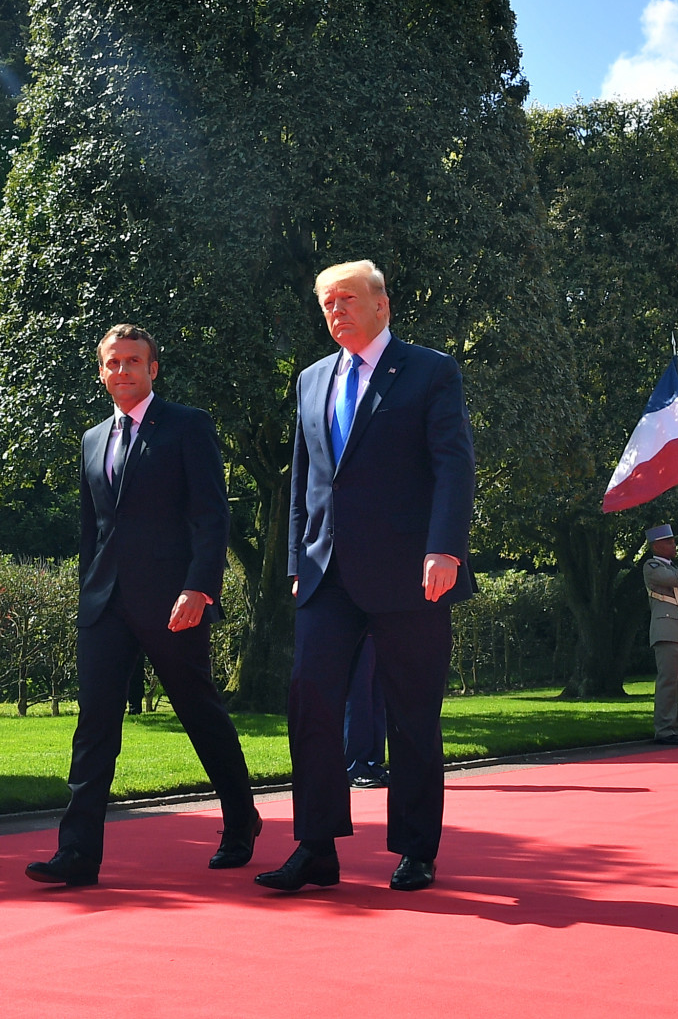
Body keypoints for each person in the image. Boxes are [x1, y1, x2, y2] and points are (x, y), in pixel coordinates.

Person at [256, 262, 476, 896]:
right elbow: (303, 482)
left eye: (348, 299)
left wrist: (445, 550)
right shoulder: (311, 381)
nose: (336, 311)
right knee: (311, 705)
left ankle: (415, 849)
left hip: (412, 576)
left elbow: (453, 466)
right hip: (327, 576)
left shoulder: (431, 371)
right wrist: (298, 563)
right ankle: (317, 847)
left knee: (412, 715)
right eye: (327, 303)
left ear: (383, 304)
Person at [26, 324, 259, 888]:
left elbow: (211, 516)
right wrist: (88, 591)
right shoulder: (90, 439)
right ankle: (78, 853)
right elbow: (92, 531)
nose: (123, 371)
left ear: (154, 369)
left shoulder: (187, 426)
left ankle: (240, 818)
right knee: (94, 727)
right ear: (101, 371)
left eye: (134, 361)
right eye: (113, 363)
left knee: (199, 711)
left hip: (173, 600)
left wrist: (201, 587)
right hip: (105, 605)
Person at [641, 524, 678, 742]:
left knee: (677, 684)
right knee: (668, 682)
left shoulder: (672, 567)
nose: (673, 545)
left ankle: (675, 728)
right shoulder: (653, 565)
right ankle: (665, 730)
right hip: (667, 632)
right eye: (668, 542)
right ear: (656, 546)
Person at [344, 635, 390, 788]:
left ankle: (372, 763)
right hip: (357, 625)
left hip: (379, 624)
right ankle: (354, 766)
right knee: (359, 696)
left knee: (377, 698)